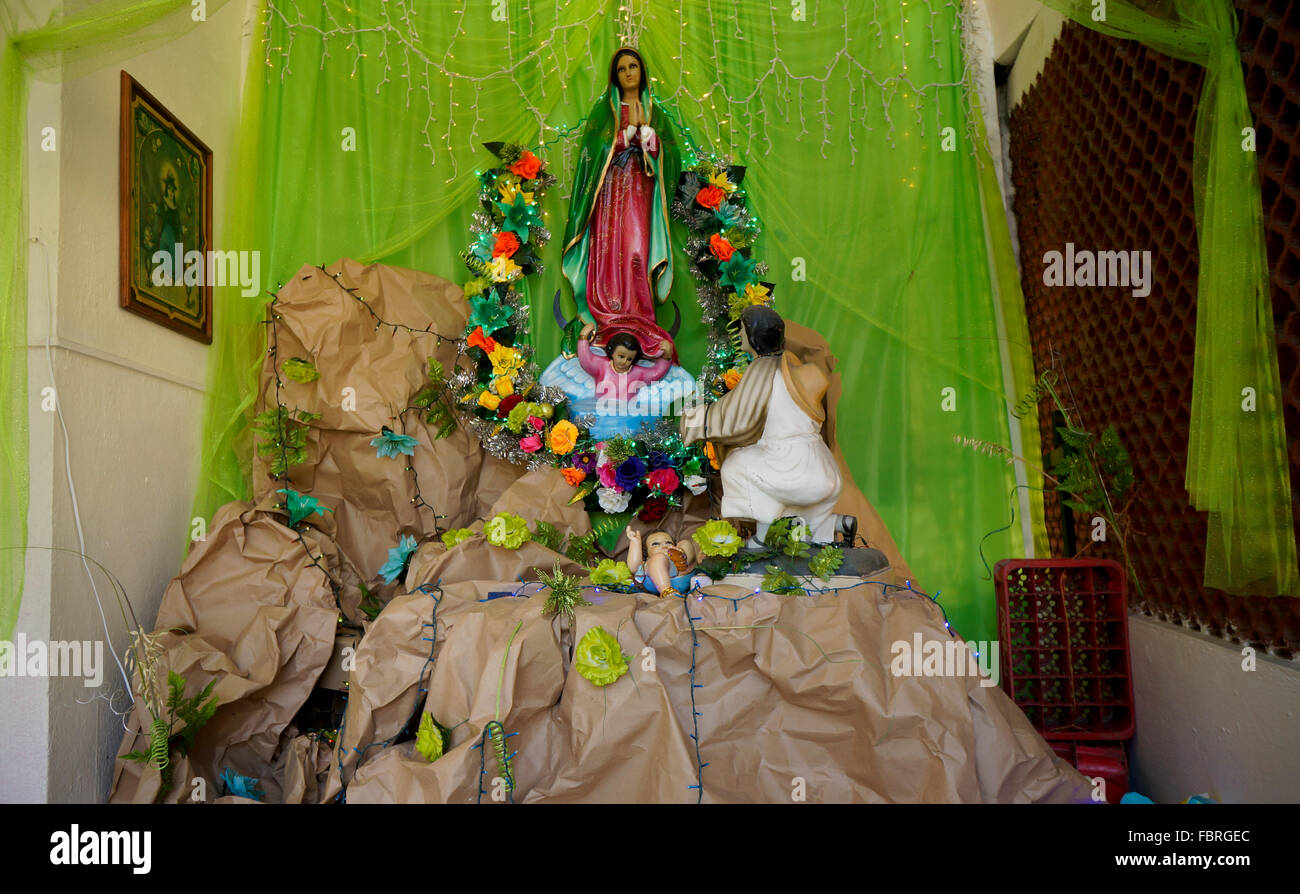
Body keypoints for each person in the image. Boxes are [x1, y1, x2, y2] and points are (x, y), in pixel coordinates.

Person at [680, 306, 857, 545]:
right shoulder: (799, 371)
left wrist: (695, 420)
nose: (740, 335)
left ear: (753, 336)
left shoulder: (762, 371)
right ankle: (836, 524)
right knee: (794, 498)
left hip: (790, 466)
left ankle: (763, 538)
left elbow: (734, 416)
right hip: (824, 469)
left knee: (737, 465)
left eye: (742, 330)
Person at [561, 47, 681, 365]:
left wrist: (653, 144)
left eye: (633, 66)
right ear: (614, 76)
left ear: (642, 70)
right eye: (621, 69)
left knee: (637, 252)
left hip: (641, 196)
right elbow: (591, 153)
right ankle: (607, 315)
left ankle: (639, 315)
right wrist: (618, 140)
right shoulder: (605, 112)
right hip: (610, 196)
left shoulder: (657, 112)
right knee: (609, 252)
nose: (628, 73)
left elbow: (673, 156)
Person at [626, 528, 707, 598]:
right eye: (655, 544)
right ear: (646, 555)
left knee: (685, 543)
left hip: (682, 571)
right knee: (659, 558)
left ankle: (682, 559)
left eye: (669, 543)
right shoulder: (647, 563)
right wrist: (635, 542)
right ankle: (667, 590)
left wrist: (683, 555)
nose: (664, 546)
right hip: (656, 577)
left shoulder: (676, 553)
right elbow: (633, 567)